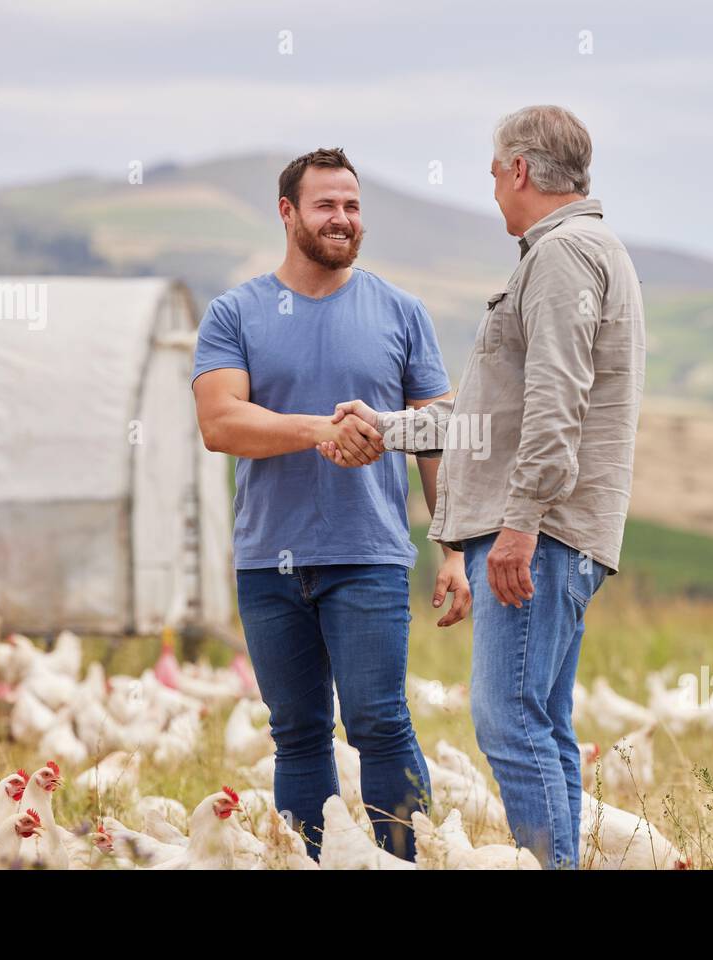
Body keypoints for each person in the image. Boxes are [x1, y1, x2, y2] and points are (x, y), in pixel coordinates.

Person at [320, 106, 646, 868]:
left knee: (506, 722)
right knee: (543, 722)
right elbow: (488, 420)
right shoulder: (581, 250)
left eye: (496, 170)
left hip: (542, 534)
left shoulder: (563, 256)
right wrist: (388, 427)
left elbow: (556, 402)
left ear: (522, 170)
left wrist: (520, 524)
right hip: (561, 531)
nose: (492, 185)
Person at [191, 147, 470, 861]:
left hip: (369, 554)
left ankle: (402, 862)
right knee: (298, 734)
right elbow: (220, 423)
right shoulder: (236, 313)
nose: (342, 219)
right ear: (288, 213)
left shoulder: (401, 312)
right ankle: (315, 860)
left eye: (352, 206)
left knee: (379, 723)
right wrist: (323, 430)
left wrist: (452, 547)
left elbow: (438, 433)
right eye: (326, 205)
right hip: (268, 562)